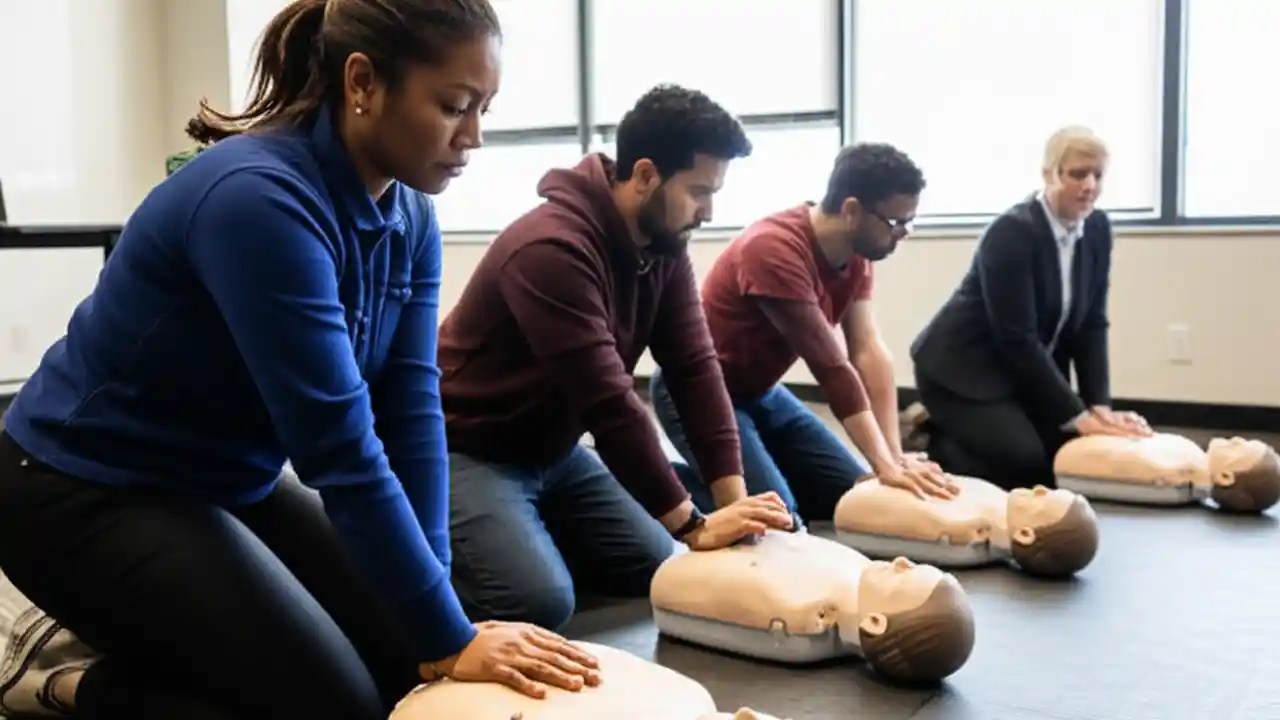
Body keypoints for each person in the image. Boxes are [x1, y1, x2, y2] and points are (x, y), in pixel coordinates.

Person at [0, 2, 599, 718]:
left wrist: (442, 610)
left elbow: (409, 408)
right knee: (332, 707)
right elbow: (339, 449)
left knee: (407, 663)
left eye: (484, 109)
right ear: (363, 82)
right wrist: (441, 628)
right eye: (453, 106)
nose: (472, 137)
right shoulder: (257, 201)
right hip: (81, 488)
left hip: (225, 476)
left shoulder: (410, 215)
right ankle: (58, 681)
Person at [436, 84, 797, 630]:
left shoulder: (664, 247)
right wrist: (694, 526)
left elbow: (696, 370)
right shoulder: (551, 250)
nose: (709, 211)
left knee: (651, 562)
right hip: (467, 448)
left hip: (553, 450)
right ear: (647, 175)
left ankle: (518, 533)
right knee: (540, 603)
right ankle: (444, 532)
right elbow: (607, 401)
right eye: (699, 191)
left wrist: (732, 511)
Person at [650, 142, 959, 524]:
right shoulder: (772, 249)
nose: (904, 233)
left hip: (760, 393)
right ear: (851, 211)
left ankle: (749, 476)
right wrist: (882, 461)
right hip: (695, 392)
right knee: (779, 518)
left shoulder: (857, 254)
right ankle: (647, 483)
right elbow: (831, 366)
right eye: (896, 222)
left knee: (851, 498)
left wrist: (892, 457)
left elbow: (868, 350)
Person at [909, 126, 1151, 491]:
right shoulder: (1011, 233)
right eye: (1077, 174)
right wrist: (1076, 415)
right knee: (1026, 463)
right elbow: (1016, 337)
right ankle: (931, 433)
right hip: (962, 371)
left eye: (1097, 175)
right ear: (1048, 173)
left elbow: (1092, 325)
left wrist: (1098, 406)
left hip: (1016, 372)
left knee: (1066, 450)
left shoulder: (1098, 228)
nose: (1089, 186)